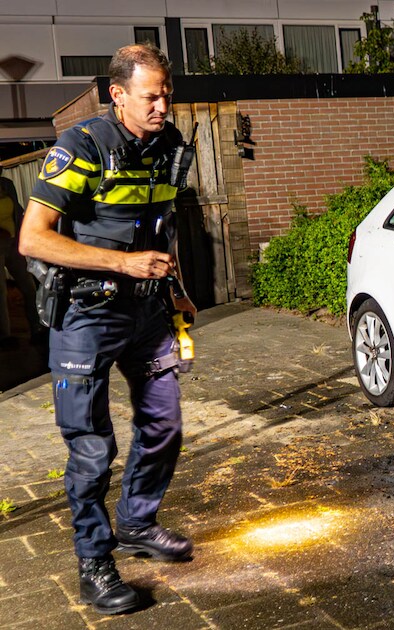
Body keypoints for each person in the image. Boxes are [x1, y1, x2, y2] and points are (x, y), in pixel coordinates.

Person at [19, 43, 196, 616]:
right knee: (93, 450)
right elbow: (33, 238)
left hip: (149, 313)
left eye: (167, 93)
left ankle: (137, 524)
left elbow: (161, 228)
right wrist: (121, 263)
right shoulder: (82, 147)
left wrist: (177, 290)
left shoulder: (168, 145)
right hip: (86, 317)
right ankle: (95, 563)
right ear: (117, 95)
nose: (163, 105)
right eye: (151, 96)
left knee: (164, 425)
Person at [0, 171, 40, 347]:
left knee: (29, 287)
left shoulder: (7, 184)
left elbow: (17, 208)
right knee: (1, 293)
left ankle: (37, 329)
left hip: (14, 242)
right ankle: (4, 336)